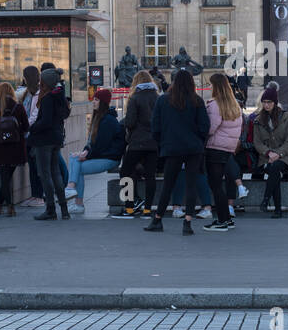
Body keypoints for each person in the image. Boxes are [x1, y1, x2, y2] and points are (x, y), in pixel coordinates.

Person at [145, 68, 209, 235]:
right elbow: (205, 127)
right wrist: (199, 142)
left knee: (168, 184)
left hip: (172, 147)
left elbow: (155, 127)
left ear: (173, 82)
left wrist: (163, 143)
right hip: (193, 148)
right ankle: (187, 222)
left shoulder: (163, 100)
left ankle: (158, 219)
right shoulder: (197, 101)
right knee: (191, 184)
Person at [65, 89, 125, 214]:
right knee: (74, 158)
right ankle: (74, 195)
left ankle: (74, 193)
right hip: (102, 155)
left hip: (110, 159)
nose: (93, 102)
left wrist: (86, 157)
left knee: (78, 166)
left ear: (103, 102)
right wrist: (85, 152)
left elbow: (101, 146)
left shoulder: (108, 120)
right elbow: (91, 143)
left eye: (96, 100)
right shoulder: (98, 118)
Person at [25, 68, 70, 221]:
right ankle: (64, 210)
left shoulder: (47, 98)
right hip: (56, 139)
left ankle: (50, 209)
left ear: (45, 82)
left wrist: (31, 127)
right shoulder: (59, 96)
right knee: (55, 173)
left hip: (44, 141)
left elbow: (45, 121)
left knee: (45, 175)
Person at [113, 70, 160, 219]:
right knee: (150, 176)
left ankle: (129, 208)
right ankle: (147, 210)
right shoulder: (158, 97)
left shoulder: (135, 98)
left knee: (125, 172)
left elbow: (130, 122)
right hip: (154, 143)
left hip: (137, 142)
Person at [202, 73, 244, 232]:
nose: (209, 87)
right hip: (228, 149)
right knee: (219, 185)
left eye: (211, 85)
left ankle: (222, 220)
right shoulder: (234, 104)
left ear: (216, 87)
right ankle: (226, 219)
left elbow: (210, 129)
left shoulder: (215, 105)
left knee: (215, 185)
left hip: (215, 148)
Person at [252, 87, 288, 218]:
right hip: (266, 157)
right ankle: (277, 209)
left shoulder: (287, 117)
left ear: (275, 102)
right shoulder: (258, 120)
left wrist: (278, 154)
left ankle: (266, 200)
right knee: (274, 170)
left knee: (275, 167)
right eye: (264, 102)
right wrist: (268, 154)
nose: (266, 105)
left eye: (269, 102)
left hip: (285, 156)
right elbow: (257, 142)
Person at [0, 82, 27, 216]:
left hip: (0, 148)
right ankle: (5, 205)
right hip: (16, 148)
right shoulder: (19, 107)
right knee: (7, 177)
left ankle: (4, 205)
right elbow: (26, 127)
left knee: (4, 178)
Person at [18, 66, 45, 206]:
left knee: (36, 167)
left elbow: (34, 114)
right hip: (27, 135)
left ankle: (39, 197)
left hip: (33, 134)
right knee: (32, 167)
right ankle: (35, 195)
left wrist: (25, 126)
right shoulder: (27, 93)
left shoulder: (39, 94)